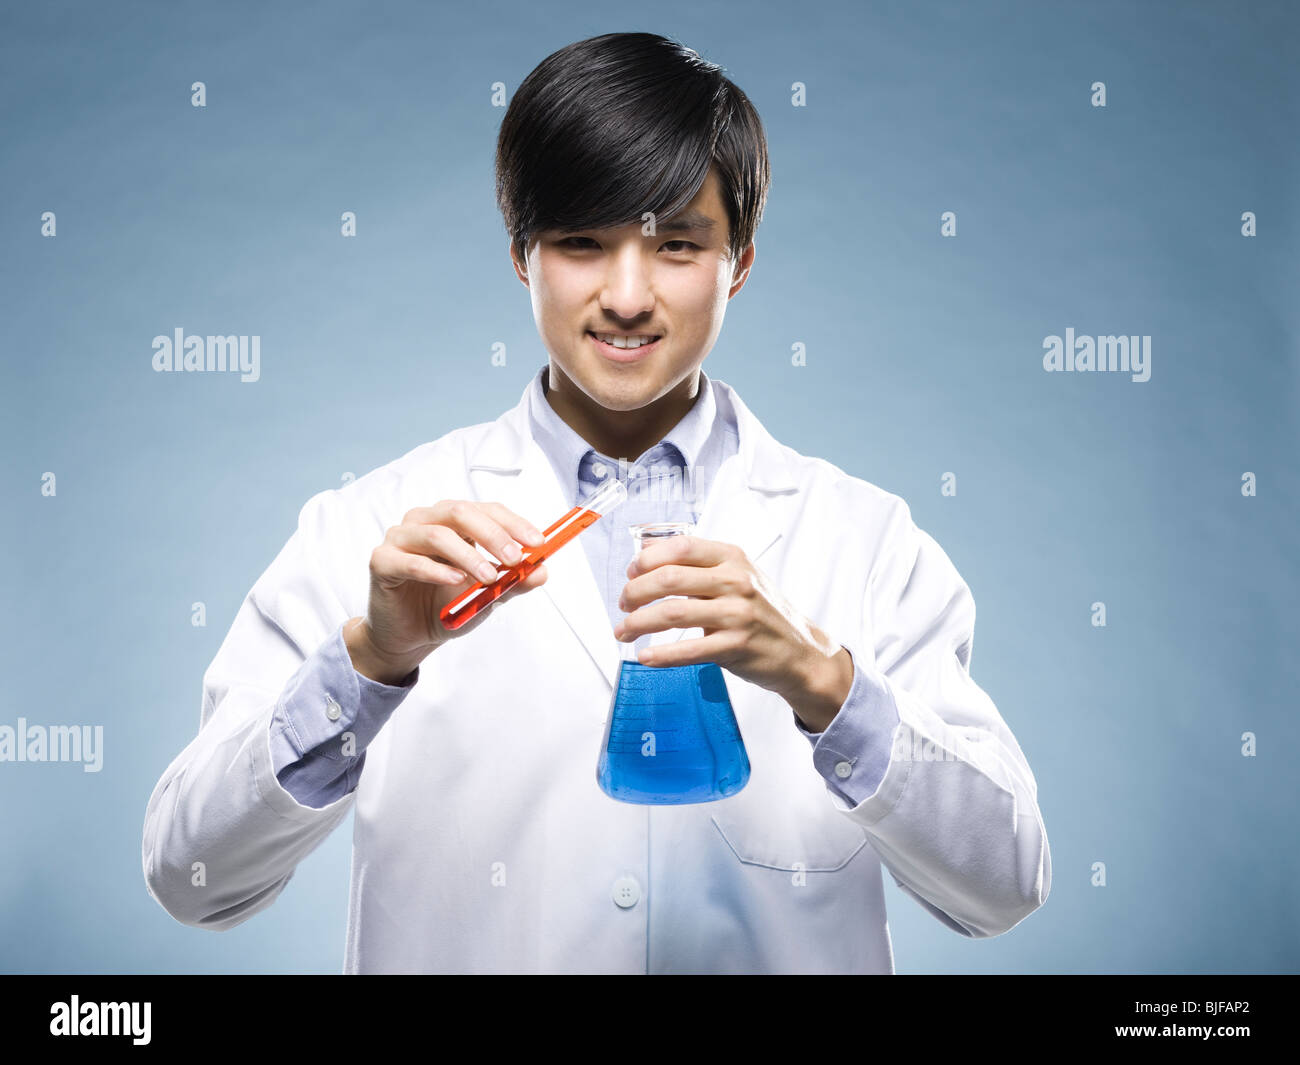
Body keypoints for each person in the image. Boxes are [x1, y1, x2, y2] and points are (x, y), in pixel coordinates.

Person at [142, 31, 1050, 974]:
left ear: (737, 260)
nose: (627, 295)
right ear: (521, 256)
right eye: (582, 241)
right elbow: (190, 875)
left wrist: (826, 685)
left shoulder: (865, 542)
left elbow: (1004, 883)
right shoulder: (371, 528)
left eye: (677, 244)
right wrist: (369, 663)